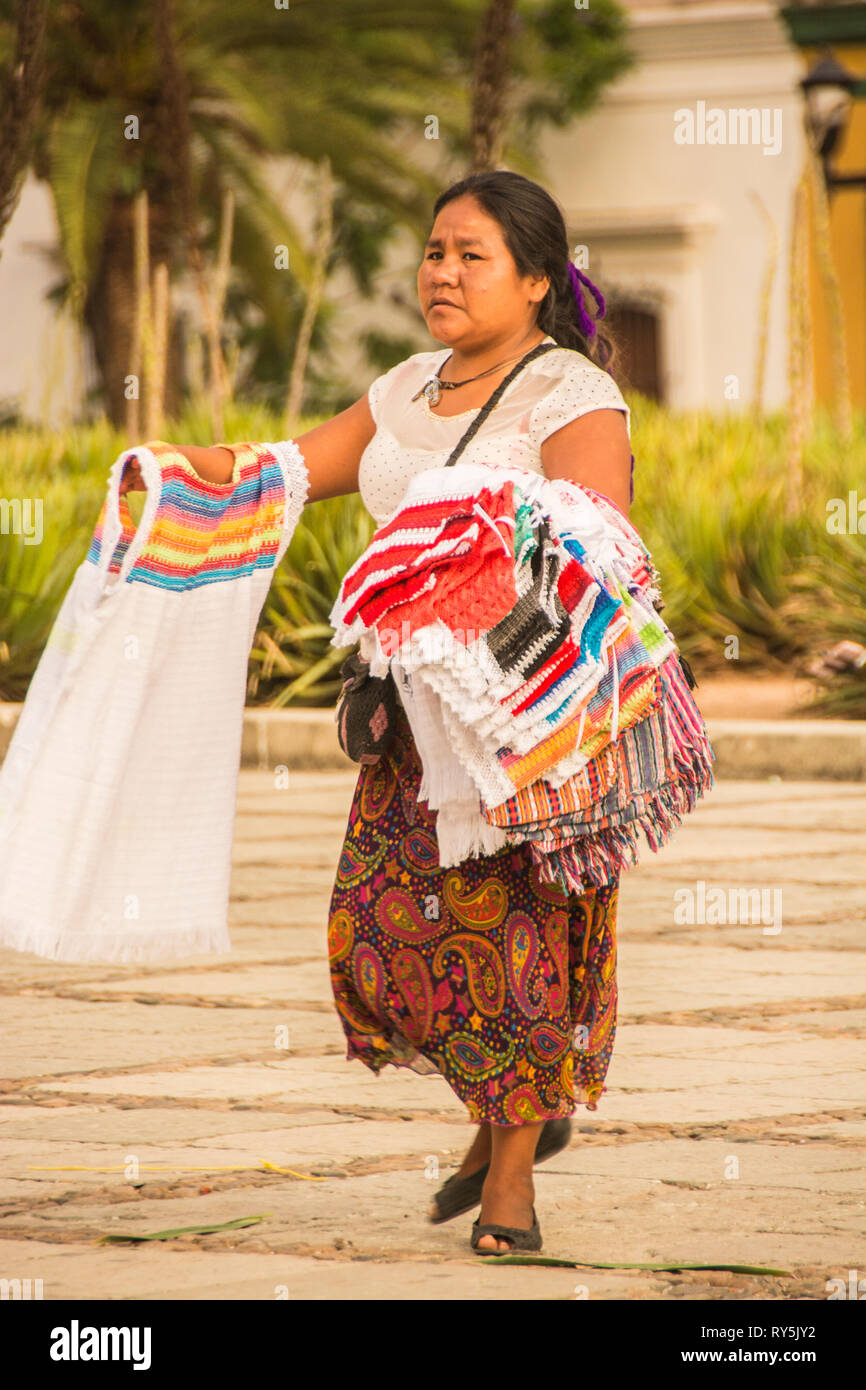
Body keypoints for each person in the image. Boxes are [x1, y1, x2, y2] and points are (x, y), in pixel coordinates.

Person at [142, 170, 633, 1254]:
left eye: (471, 255)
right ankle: (513, 1113)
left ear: (537, 280)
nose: (441, 273)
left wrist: (466, 562)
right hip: (409, 732)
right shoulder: (407, 386)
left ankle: (509, 1177)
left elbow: (596, 540)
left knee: (513, 944)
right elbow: (285, 471)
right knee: (381, 941)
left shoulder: (568, 395)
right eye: (432, 251)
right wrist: (173, 476)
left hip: (520, 727)